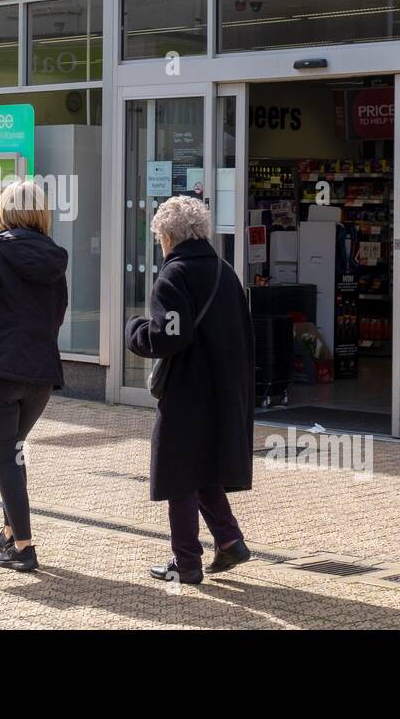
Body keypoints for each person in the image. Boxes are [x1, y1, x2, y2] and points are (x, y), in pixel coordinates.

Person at [125, 195, 255, 585]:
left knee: (179, 475)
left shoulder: (173, 275)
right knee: (202, 467)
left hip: (187, 392)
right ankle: (229, 541)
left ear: (167, 235)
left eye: (159, 237)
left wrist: (135, 331)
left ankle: (186, 563)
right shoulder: (224, 271)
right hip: (224, 388)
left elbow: (170, 337)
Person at [0, 178, 68, 573]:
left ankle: (23, 546)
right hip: (40, 375)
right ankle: (9, 532)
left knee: (8, 459)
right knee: (15, 454)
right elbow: (58, 314)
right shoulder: (56, 257)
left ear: (4, 211)